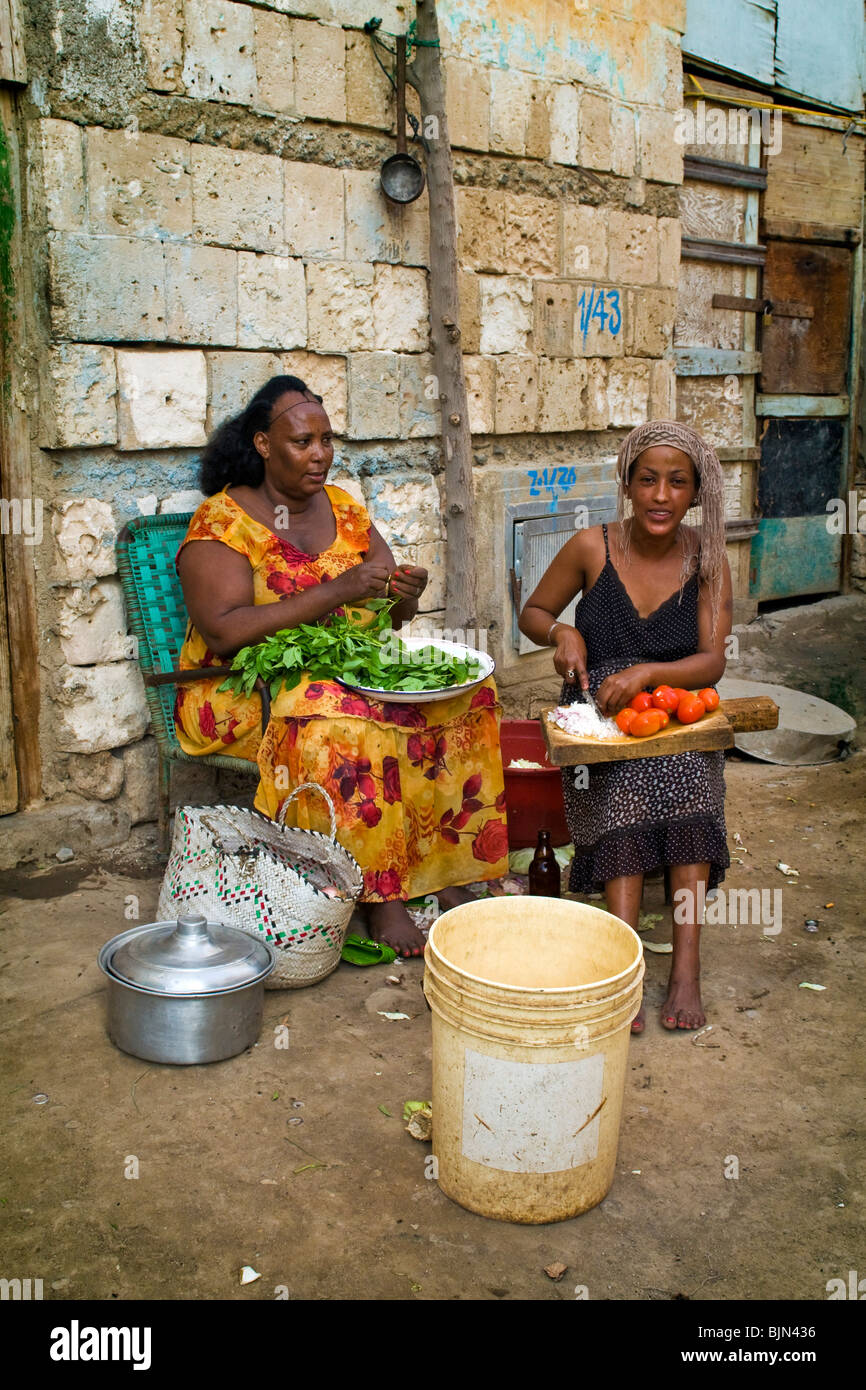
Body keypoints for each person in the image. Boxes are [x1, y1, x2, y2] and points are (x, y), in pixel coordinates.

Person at [173, 375, 508, 958]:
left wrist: (406, 591)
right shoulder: (221, 522)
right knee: (348, 718)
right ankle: (381, 896)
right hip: (242, 689)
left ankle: (446, 867)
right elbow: (223, 631)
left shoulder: (344, 509)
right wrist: (338, 589)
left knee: (468, 695)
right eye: (303, 442)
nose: (320, 454)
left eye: (327, 440)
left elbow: (392, 612)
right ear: (262, 445)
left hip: (342, 670)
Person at [519, 420, 733, 1033]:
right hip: (597, 713)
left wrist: (645, 673)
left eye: (677, 482)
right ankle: (624, 962)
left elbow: (712, 660)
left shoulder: (707, 558)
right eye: (648, 480)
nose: (661, 495)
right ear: (628, 484)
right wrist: (563, 631)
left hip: (676, 709)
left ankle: (686, 964)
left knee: (690, 782)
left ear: (695, 494)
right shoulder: (593, 547)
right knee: (627, 786)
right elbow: (534, 612)